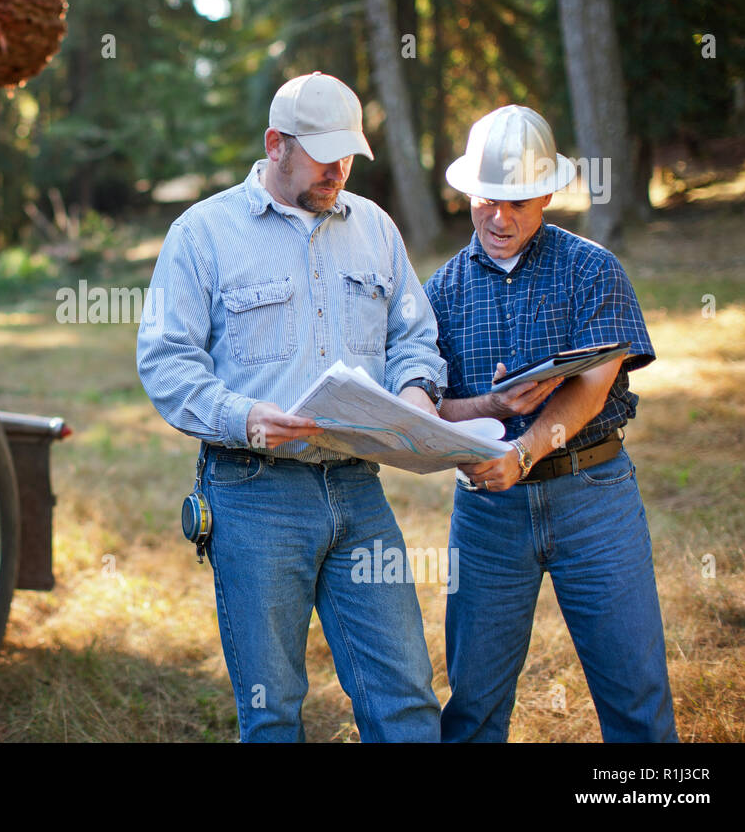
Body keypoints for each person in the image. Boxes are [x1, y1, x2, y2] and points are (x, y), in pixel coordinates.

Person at [136, 71, 447, 742]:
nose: (338, 168)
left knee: (407, 696)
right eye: (322, 153)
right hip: (254, 494)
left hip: (360, 489)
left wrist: (417, 394)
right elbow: (165, 360)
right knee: (272, 708)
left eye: (347, 154)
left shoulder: (375, 228)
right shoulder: (201, 234)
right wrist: (243, 416)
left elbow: (414, 333)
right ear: (276, 143)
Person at [424, 104, 677, 742]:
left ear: (546, 193)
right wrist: (489, 410)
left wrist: (526, 449)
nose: (499, 218)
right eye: (486, 199)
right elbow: (426, 407)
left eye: (517, 202)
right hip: (487, 512)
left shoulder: (594, 270)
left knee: (635, 696)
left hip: (593, 498)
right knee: (474, 707)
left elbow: (593, 389)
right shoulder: (441, 292)